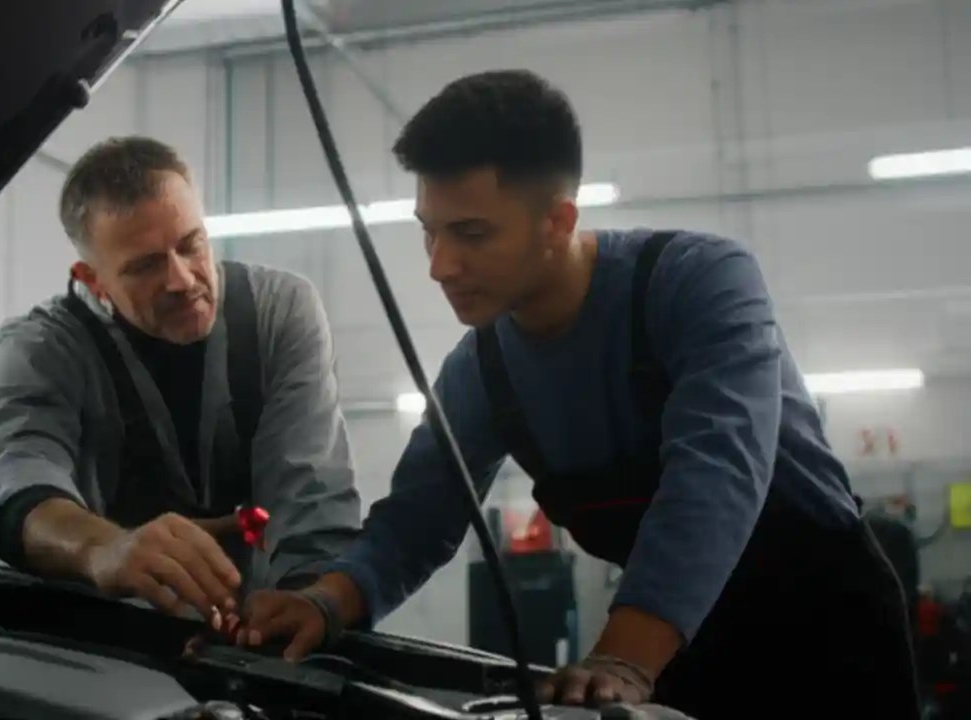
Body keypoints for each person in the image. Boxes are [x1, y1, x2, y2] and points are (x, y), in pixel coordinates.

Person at [231, 70, 921, 719]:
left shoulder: (697, 284)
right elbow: (416, 519)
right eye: (429, 232)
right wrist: (324, 603)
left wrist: (624, 654)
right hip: (686, 639)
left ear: (558, 222)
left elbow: (716, 473)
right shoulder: (484, 370)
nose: (440, 265)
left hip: (827, 631)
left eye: (471, 233)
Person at [0, 136, 361, 624]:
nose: (182, 279)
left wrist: (306, 607)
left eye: (191, 244)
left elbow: (311, 493)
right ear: (92, 279)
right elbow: (10, 472)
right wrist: (103, 548)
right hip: (91, 638)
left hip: (250, 633)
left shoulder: (278, 313)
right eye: (145, 266)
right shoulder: (44, 347)